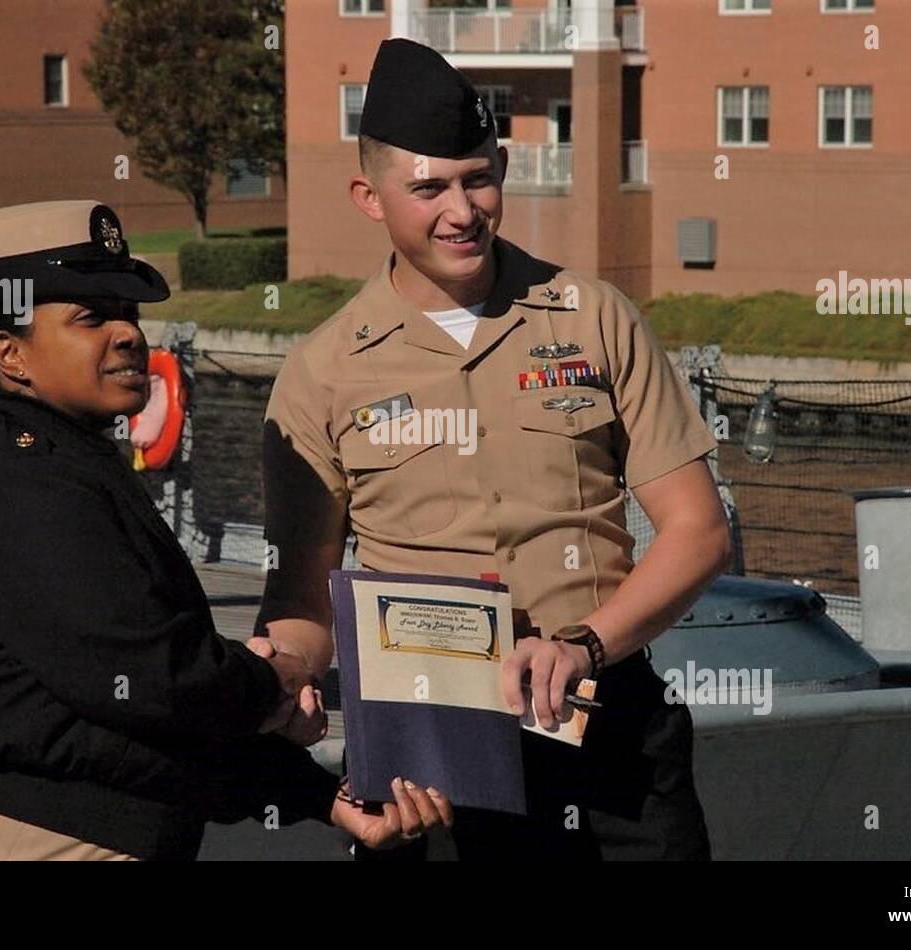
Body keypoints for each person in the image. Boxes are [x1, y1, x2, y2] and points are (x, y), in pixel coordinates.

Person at [256, 40, 731, 860]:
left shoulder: (592, 317)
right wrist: (279, 674)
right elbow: (303, 593)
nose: (462, 210)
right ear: (368, 196)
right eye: (428, 187)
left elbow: (699, 530)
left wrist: (583, 643)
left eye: (479, 177)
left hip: (606, 731)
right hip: (428, 763)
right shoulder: (322, 373)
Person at [0, 200, 450, 861]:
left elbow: (134, 724)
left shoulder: (69, 464)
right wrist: (275, 679)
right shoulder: (30, 484)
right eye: (92, 317)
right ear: (11, 354)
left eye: (130, 313)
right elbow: (156, 680)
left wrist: (314, 795)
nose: (127, 334)